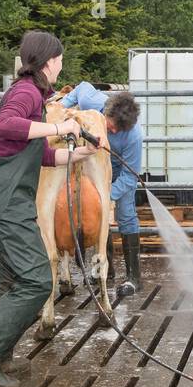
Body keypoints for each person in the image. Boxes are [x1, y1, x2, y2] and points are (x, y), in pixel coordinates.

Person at [0, 31, 98, 387]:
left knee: (7, 279)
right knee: (38, 279)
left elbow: (32, 153)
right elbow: (8, 125)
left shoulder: (29, 94)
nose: (61, 65)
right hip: (4, 202)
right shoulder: (25, 93)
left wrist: (76, 155)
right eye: (59, 59)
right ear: (49, 61)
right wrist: (61, 126)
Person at [59, 82, 144, 295]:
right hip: (94, 158)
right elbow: (81, 88)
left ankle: (134, 277)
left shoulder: (133, 136)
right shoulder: (92, 102)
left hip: (119, 166)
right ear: (106, 111)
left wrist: (105, 196)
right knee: (97, 215)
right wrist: (63, 106)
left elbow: (129, 177)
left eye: (116, 130)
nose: (112, 130)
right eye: (111, 125)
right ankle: (104, 270)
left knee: (125, 213)